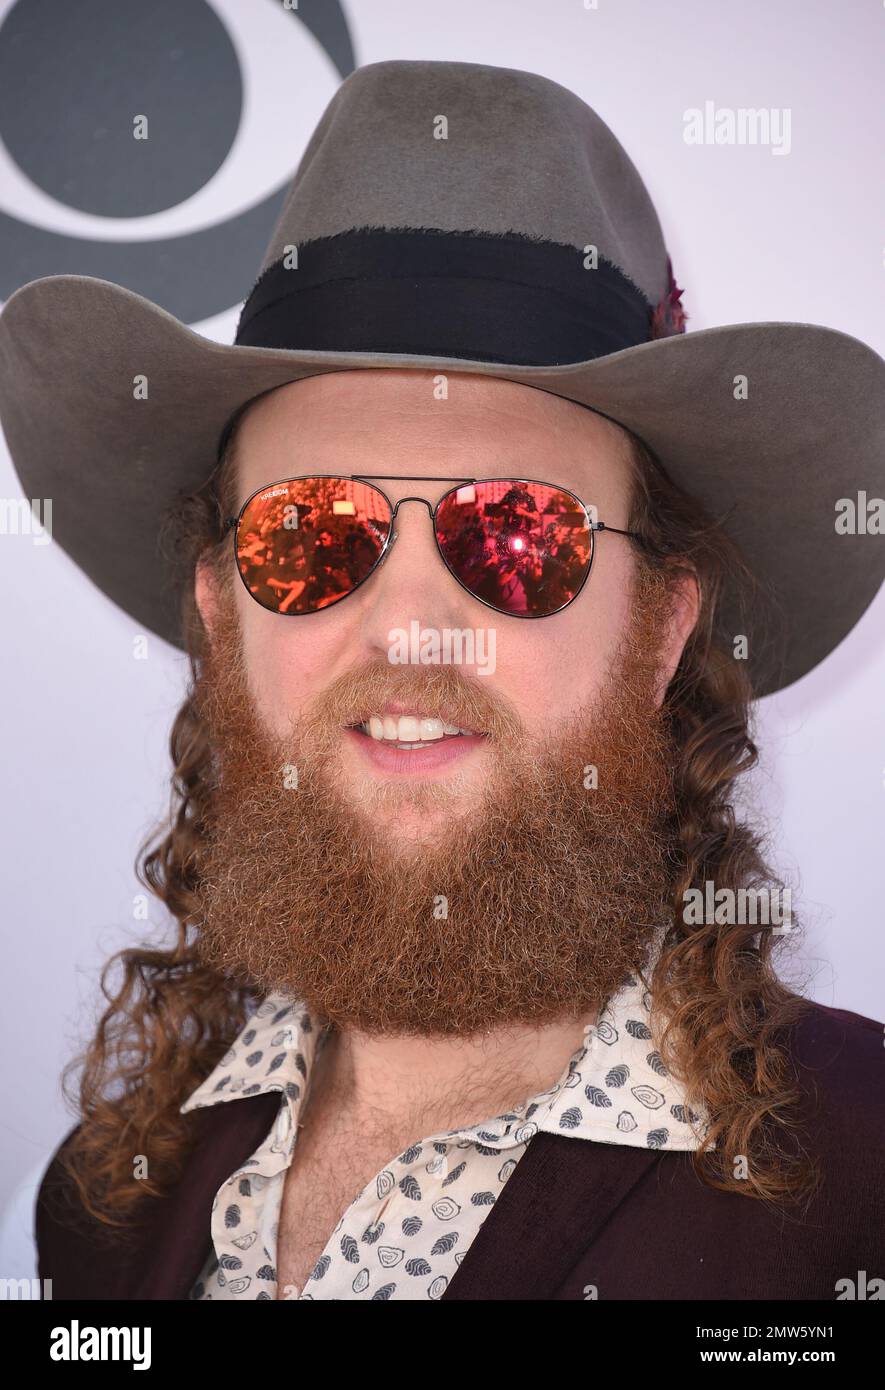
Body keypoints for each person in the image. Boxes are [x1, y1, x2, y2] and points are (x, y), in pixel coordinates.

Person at [1, 58, 883, 1303]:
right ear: (218, 613)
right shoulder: (106, 1207)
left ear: (663, 630)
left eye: (520, 533)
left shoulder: (868, 1190)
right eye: (311, 535)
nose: (412, 630)